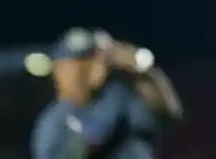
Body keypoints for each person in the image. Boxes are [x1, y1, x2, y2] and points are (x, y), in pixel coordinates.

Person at [30, 28, 184, 159]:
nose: (93, 69)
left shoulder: (121, 99)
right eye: (79, 65)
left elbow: (169, 115)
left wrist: (143, 70)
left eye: (91, 61)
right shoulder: (53, 122)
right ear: (59, 72)